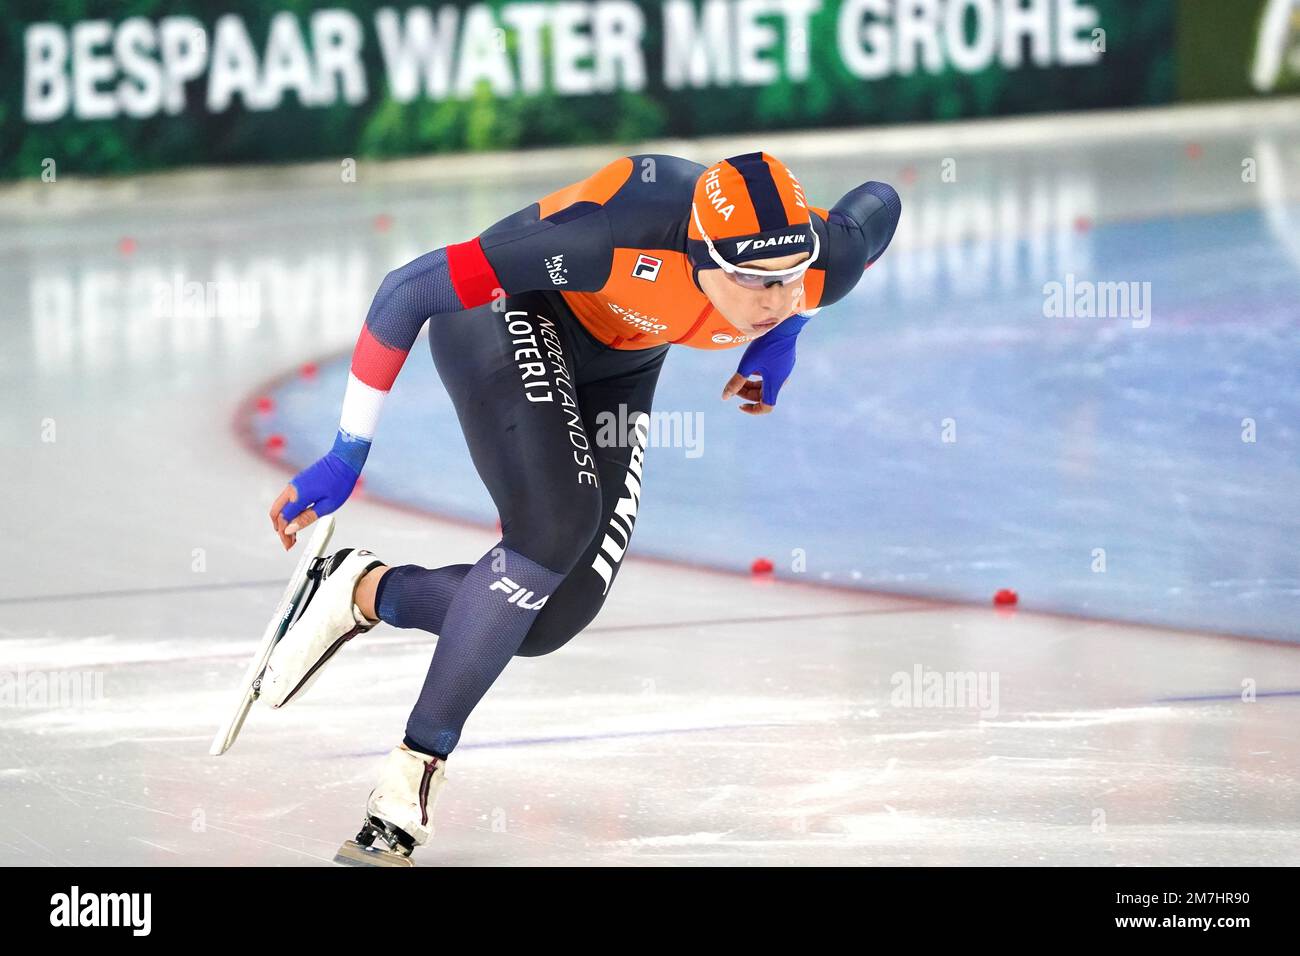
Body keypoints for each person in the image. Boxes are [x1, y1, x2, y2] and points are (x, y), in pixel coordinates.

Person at [263, 151, 901, 859]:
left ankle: (363, 589)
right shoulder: (607, 240)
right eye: (756, 284)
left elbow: (881, 202)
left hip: (623, 363)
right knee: (556, 526)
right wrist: (348, 453)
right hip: (514, 315)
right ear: (699, 256)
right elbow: (405, 292)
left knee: (544, 621)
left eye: (792, 277)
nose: (779, 296)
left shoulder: (820, 263)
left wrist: (784, 332)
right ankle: (407, 782)